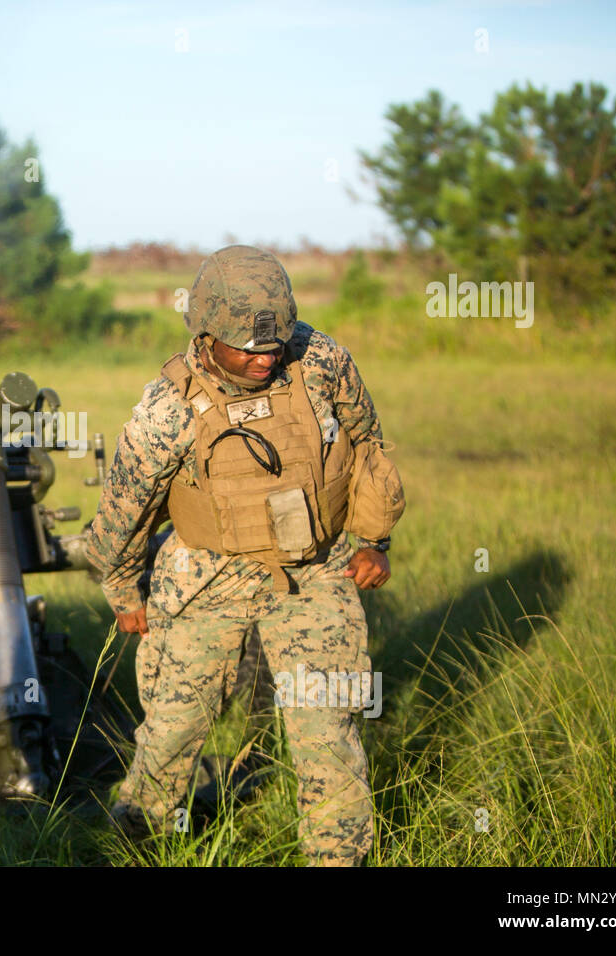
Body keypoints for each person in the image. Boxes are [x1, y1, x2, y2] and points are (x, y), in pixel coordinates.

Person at [84, 245, 404, 865]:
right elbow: (124, 510)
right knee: (174, 730)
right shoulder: (166, 409)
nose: (263, 358)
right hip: (208, 576)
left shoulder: (322, 362)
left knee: (327, 732)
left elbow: (368, 443)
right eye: (245, 347)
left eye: (273, 345)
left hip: (315, 570)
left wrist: (373, 540)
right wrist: (124, 592)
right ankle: (137, 840)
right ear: (205, 334)